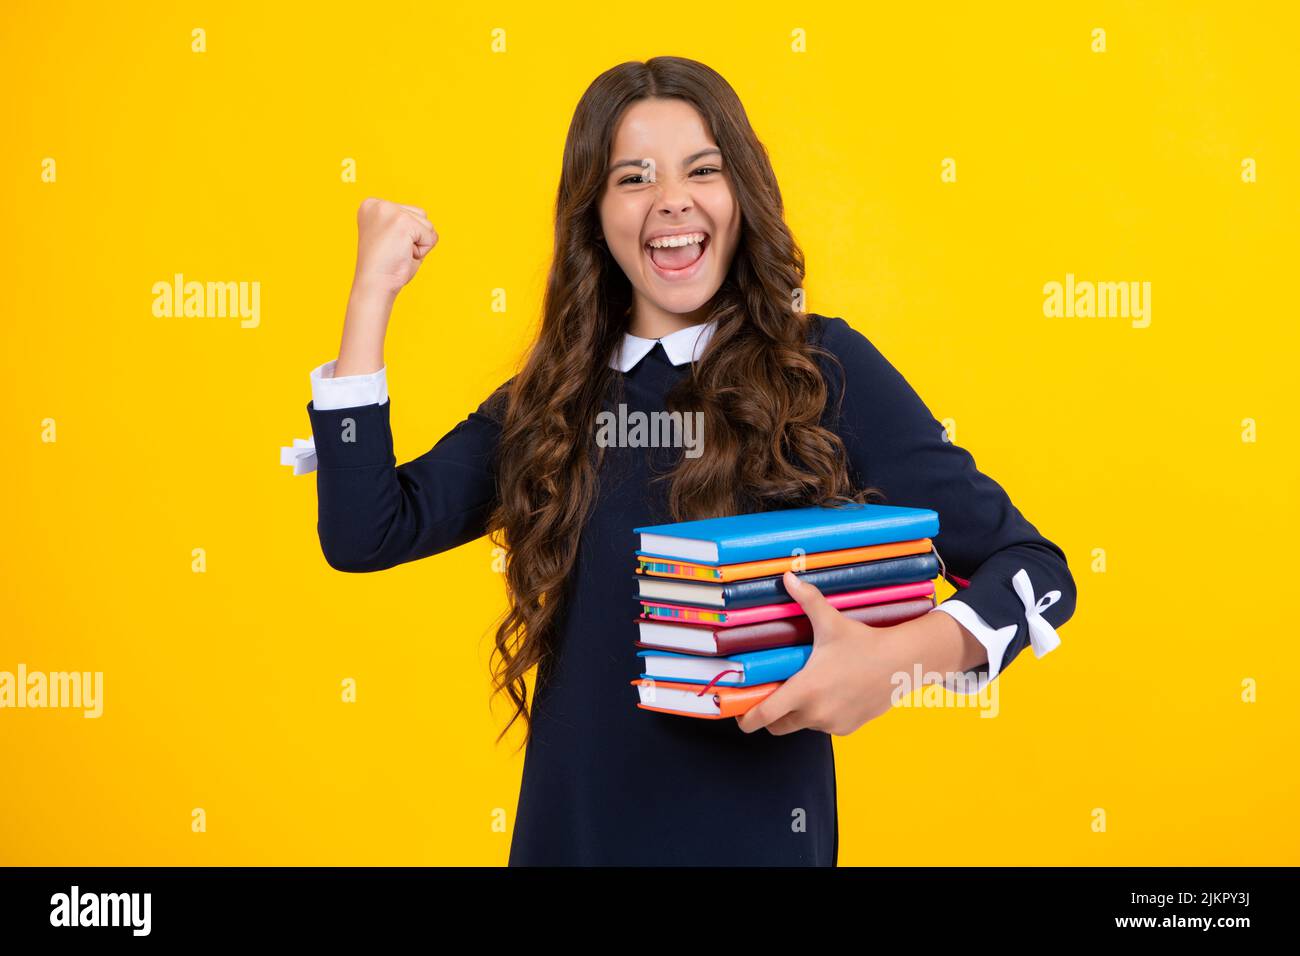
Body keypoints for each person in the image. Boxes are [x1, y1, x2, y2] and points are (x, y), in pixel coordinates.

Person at [283, 56, 1077, 865]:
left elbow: (1037, 572)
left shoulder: (822, 369)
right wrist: (370, 298)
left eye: (704, 169)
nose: (672, 198)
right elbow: (365, 532)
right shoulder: (551, 398)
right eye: (634, 177)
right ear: (594, 212)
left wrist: (900, 660)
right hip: (568, 842)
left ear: (742, 194)